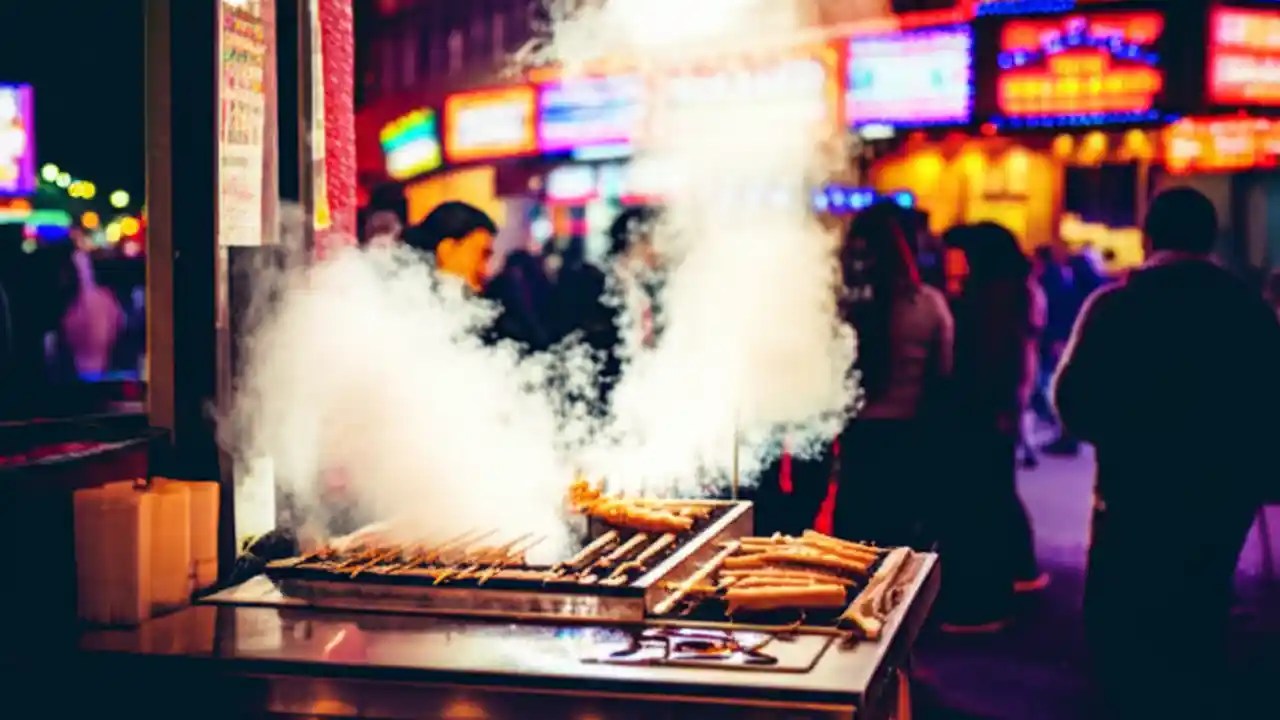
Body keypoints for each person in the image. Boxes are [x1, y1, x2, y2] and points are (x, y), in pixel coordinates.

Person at [1053, 187, 1280, 718]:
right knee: (1201, 602)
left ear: (1149, 236)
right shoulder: (1250, 310)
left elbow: (1072, 402)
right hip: (1224, 493)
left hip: (1133, 493)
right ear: (1210, 238)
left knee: (1125, 614)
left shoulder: (1114, 304)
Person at [938, 221, 1043, 632]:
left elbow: (988, 364)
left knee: (980, 507)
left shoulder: (993, 300)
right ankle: (1003, 585)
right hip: (994, 415)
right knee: (994, 500)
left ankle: (982, 603)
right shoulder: (1011, 292)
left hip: (981, 416)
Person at [832, 202, 954, 549]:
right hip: (908, 438)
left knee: (852, 545)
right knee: (897, 542)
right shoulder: (928, 305)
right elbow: (944, 371)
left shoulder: (843, 308)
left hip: (858, 439)